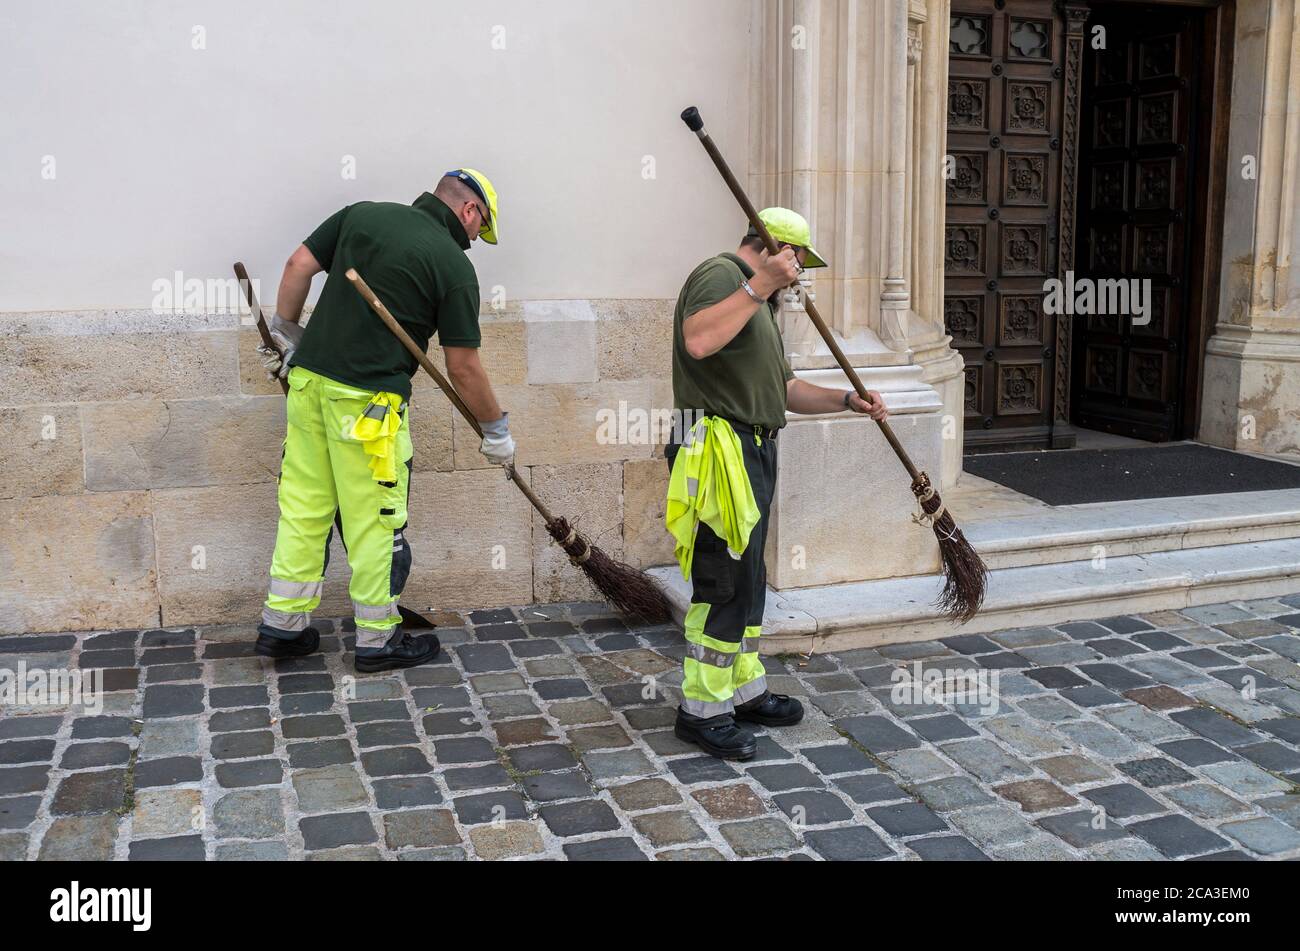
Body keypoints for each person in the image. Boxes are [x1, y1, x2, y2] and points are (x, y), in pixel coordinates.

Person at [254, 169, 514, 672]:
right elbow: (463, 366)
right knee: (375, 519)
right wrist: (495, 428)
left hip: (309, 389)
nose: (474, 243)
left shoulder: (361, 214)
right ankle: (377, 641)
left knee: (305, 508)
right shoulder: (453, 267)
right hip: (369, 408)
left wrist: (288, 335)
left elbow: (296, 265)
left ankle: (283, 627)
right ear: (468, 212)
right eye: (479, 231)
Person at [667, 207, 889, 760]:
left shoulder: (758, 307)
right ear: (775, 249)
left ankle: (742, 690)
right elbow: (697, 340)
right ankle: (702, 711)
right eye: (798, 262)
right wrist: (761, 281)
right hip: (718, 448)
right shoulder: (721, 275)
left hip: (754, 447)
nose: (800, 276)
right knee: (722, 579)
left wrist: (845, 400)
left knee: (749, 580)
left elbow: (784, 387)